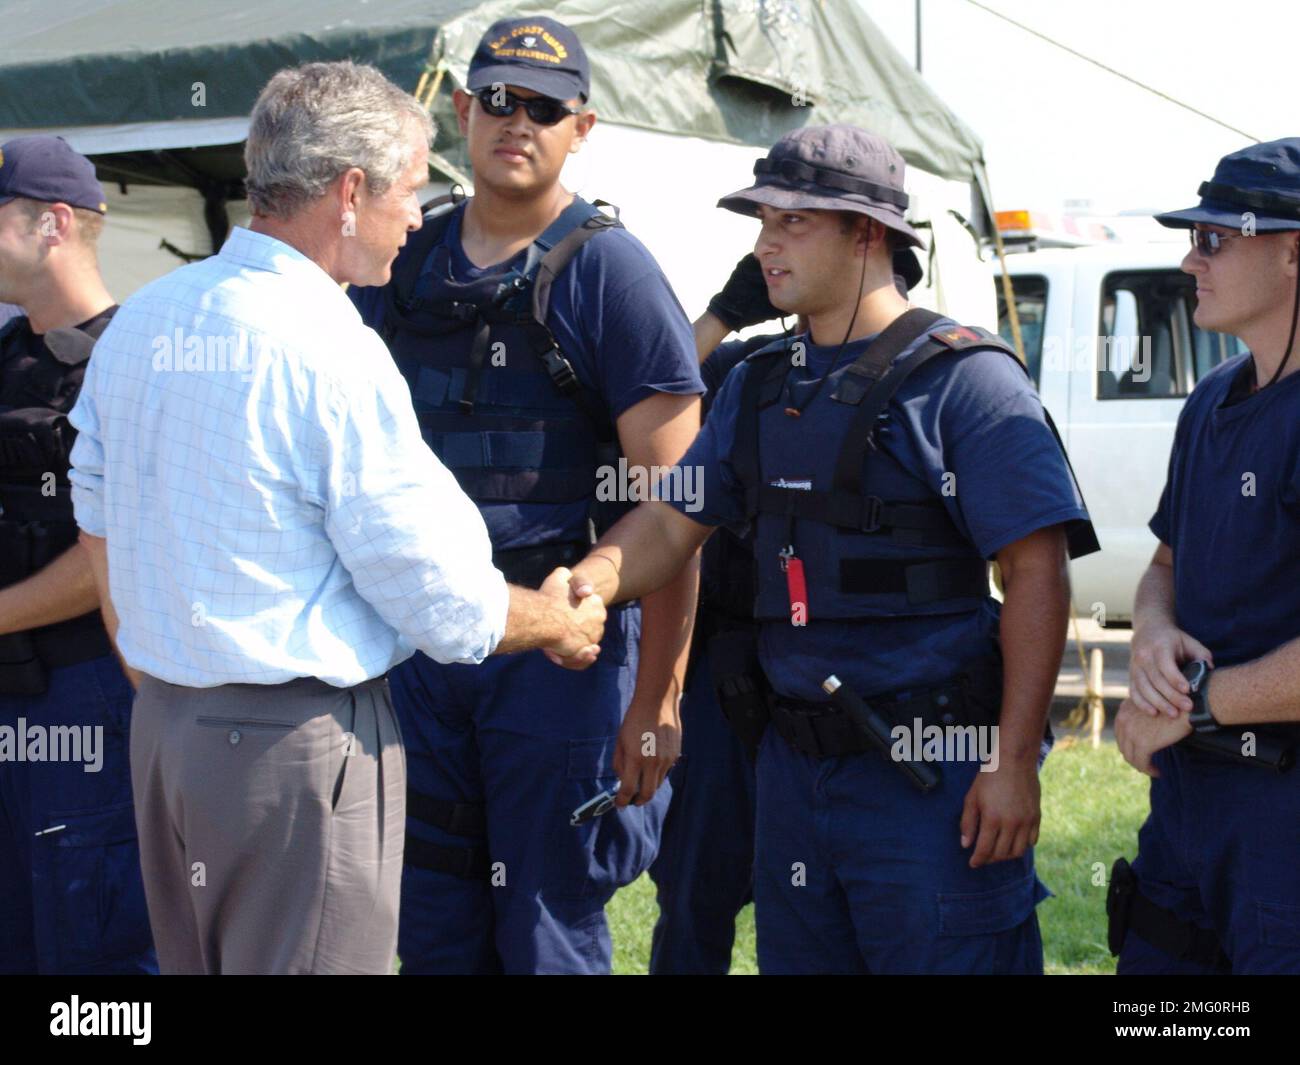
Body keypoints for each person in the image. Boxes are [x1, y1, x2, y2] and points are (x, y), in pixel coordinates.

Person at [67, 61, 606, 976]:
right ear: (350, 193)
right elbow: (441, 600)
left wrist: (164, 670)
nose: (417, 217)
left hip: (165, 735)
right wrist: (562, 619)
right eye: (408, 190)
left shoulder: (147, 319)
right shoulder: (328, 350)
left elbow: (95, 509)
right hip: (294, 755)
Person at [561, 124, 1099, 974]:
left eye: (794, 222)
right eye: (762, 221)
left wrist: (1012, 762)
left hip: (933, 776)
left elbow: (1035, 571)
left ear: (869, 235)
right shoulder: (761, 384)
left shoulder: (969, 382)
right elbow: (671, 522)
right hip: (793, 779)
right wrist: (590, 581)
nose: (766, 243)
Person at [351, 16, 704, 975]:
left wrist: (659, 696)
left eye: (545, 108)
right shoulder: (400, 262)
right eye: (499, 100)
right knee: (425, 918)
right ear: (463, 110)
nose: (518, 122)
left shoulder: (611, 274)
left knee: (546, 926)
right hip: (421, 642)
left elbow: (681, 509)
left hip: (558, 651)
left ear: (581, 128)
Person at [647, 248, 925, 973]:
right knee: (693, 890)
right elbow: (662, 381)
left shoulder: (927, 379)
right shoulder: (754, 372)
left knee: (823, 906)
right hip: (727, 667)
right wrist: (724, 313)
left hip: (834, 684)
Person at [1110, 138, 1300, 976]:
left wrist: (1199, 701)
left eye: (1216, 238)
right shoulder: (1211, 401)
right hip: (1187, 807)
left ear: (1293, 249)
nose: (1191, 258)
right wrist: (1151, 641)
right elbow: (1164, 568)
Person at [0, 135, 155, 974]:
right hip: (12, 696)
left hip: (86, 696)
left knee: (99, 946)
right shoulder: (8, 355)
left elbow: (117, 549)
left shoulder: (132, 359)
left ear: (51, 223)